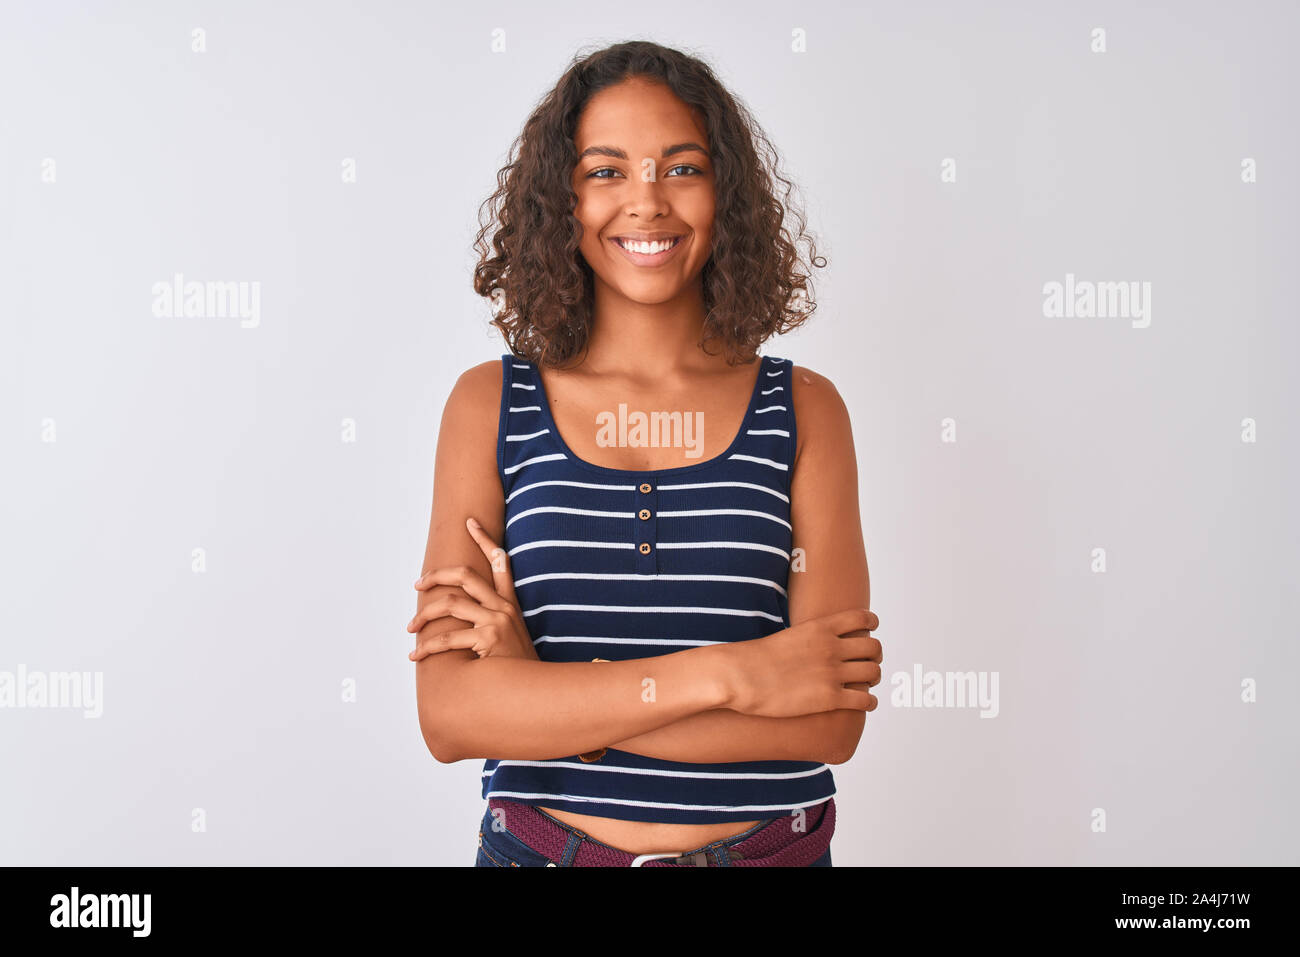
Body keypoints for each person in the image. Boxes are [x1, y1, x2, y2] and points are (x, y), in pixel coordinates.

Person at [408, 40, 881, 867]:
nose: (647, 202)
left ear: (724, 194)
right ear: (563, 199)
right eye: (607, 171)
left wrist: (553, 709)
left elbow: (831, 719)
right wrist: (735, 675)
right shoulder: (493, 405)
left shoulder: (803, 411)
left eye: (683, 168)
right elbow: (451, 716)